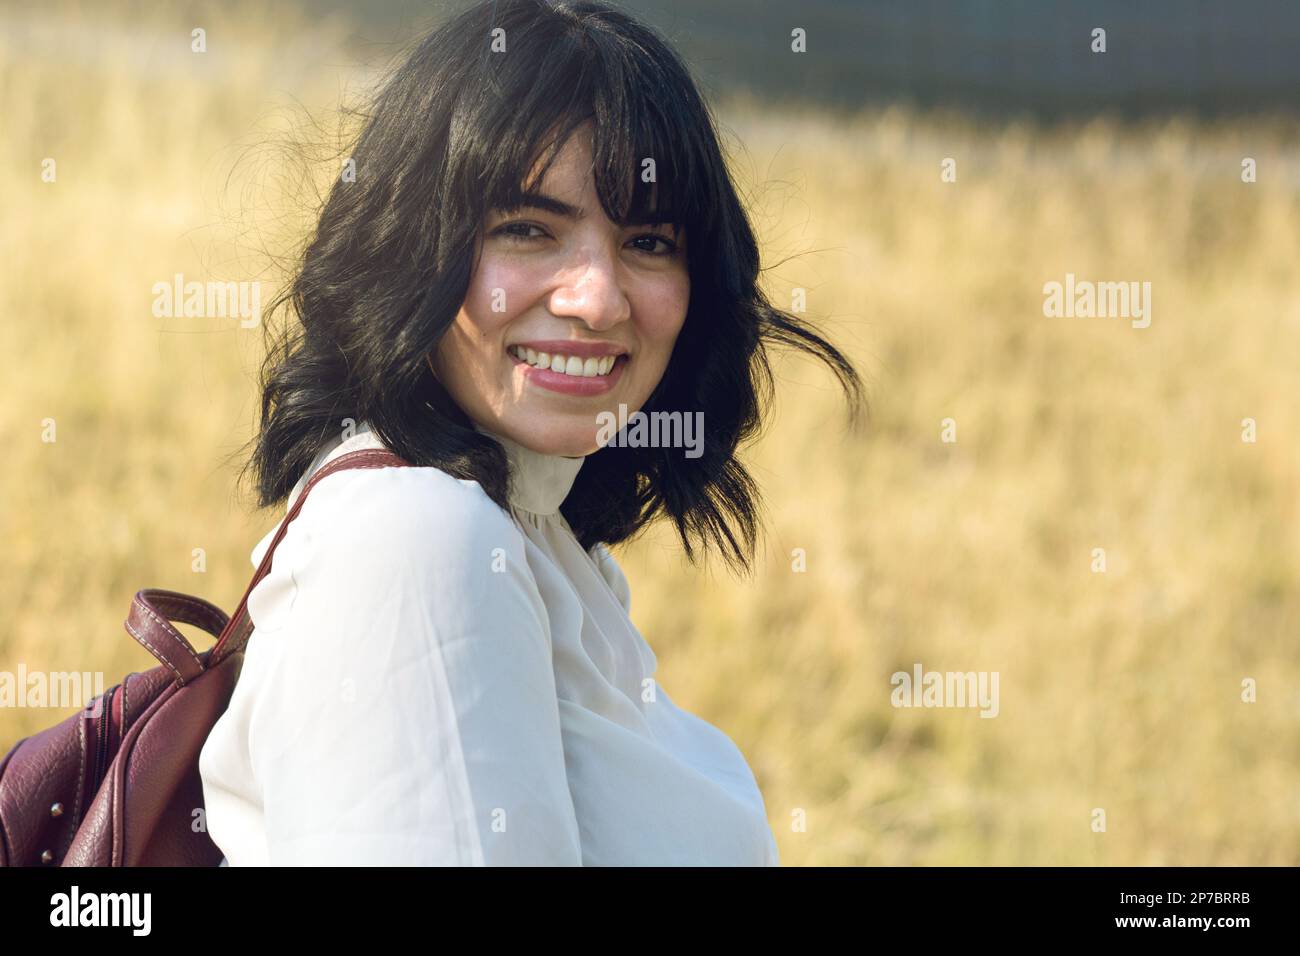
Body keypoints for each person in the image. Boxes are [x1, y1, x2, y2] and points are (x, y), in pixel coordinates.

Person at [199, 0, 864, 865]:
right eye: (527, 229)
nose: (598, 297)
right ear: (414, 246)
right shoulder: (417, 543)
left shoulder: (545, 543)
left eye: (650, 240)